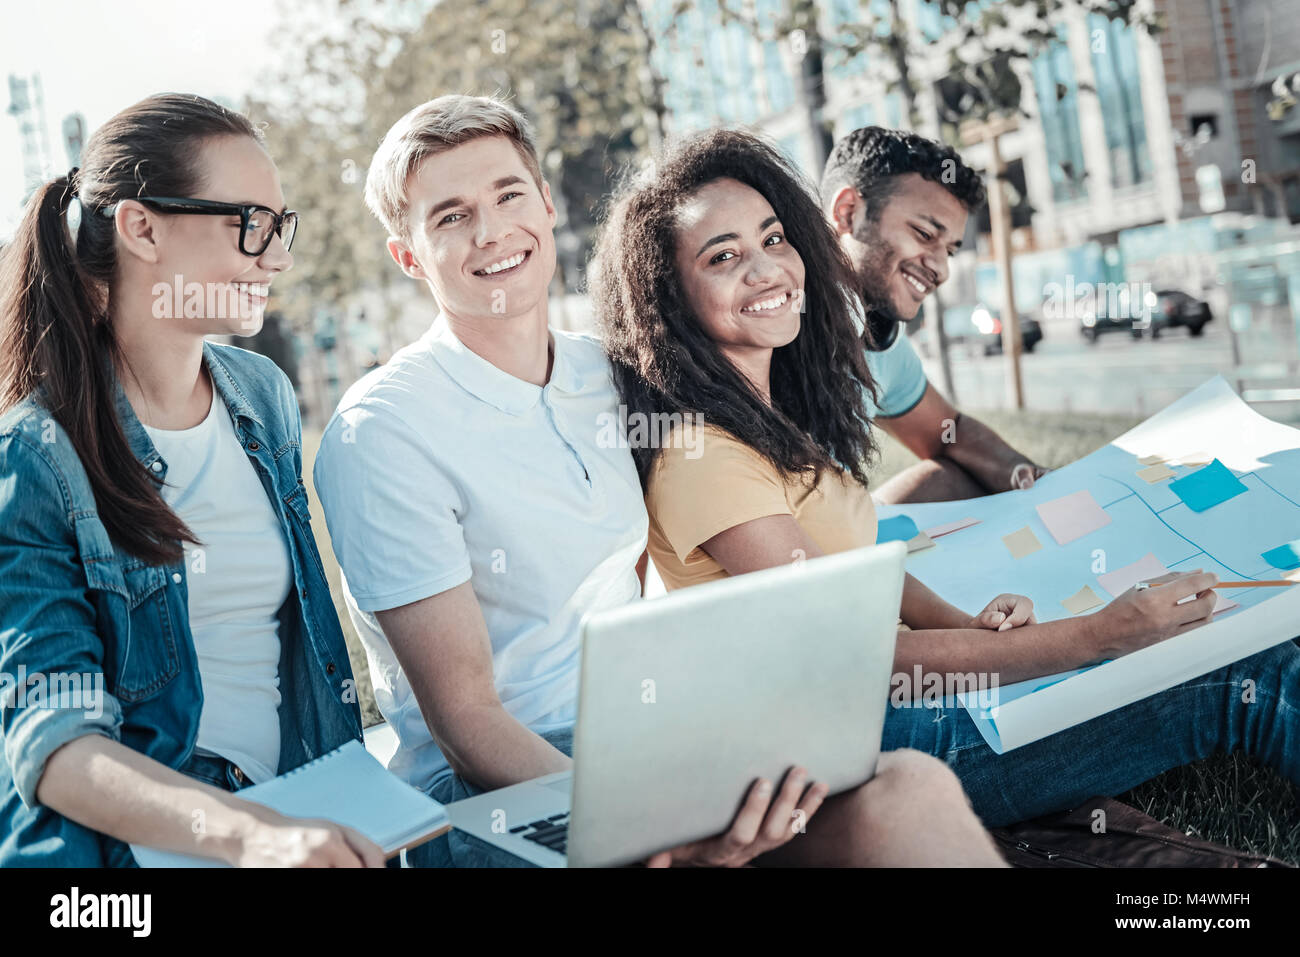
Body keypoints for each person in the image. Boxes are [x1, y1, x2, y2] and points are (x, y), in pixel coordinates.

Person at [313, 93, 1006, 867]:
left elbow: (756, 332)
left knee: (911, 784)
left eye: (509, 195)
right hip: (494, 803)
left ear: (545, 205)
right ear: (408, 255)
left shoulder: (606, 376)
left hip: (655, 737)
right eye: (450, 216)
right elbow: (467, 724)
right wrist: (658, 831)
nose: (492, 230)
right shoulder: (385, 430)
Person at [595, 126, 1300, 830]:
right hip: (876, 751)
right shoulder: (703, 454)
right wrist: (1100, 634)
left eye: (774, 238)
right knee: (1238, 675)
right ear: (672, 298)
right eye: (723, 256)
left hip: (909, 708)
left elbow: (861, 562)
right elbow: (855, 658)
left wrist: (974, 630)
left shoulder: (777, 411)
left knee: (1223, 643)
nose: (767, 270)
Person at [0, 94, 384, 867]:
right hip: (138, 859)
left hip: (305, 806)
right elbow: (55, 742)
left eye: (282, 226)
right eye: (249, 224)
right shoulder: (34, 455)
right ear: (141, 227)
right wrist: (250, 836)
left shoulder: (262, 396)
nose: (275, 256)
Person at [820, 126, 1047, 504]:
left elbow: (949, 433)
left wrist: (1030, 475)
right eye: (925, 234)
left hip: (834, 535)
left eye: (951, 250)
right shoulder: (769, 320)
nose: (941, 269)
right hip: (770, 553)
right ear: (848, 213)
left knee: (958, 481)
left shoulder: (879, 340)